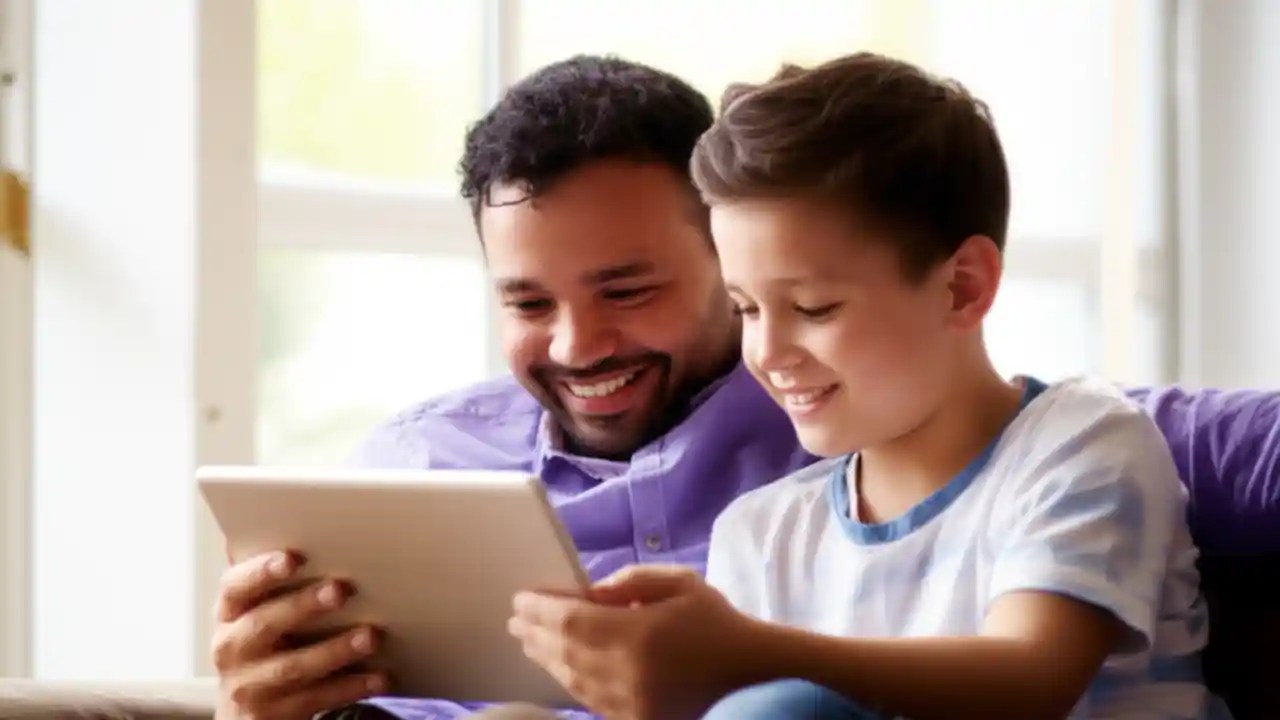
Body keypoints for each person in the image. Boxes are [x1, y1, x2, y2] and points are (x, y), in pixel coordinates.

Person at [507, 53, 1230, 719]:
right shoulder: (762, 534)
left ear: (962, 288)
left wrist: (747, 651)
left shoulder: (1080, 442)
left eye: (813, 309)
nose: (768, 351)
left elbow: (1031, 679)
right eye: (746, 309)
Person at [209, 56, 814, 720]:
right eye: (528, 305)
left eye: (627, 292)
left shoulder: (839, 445)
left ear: (733, 258)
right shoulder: (415, 466)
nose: (575, 347)